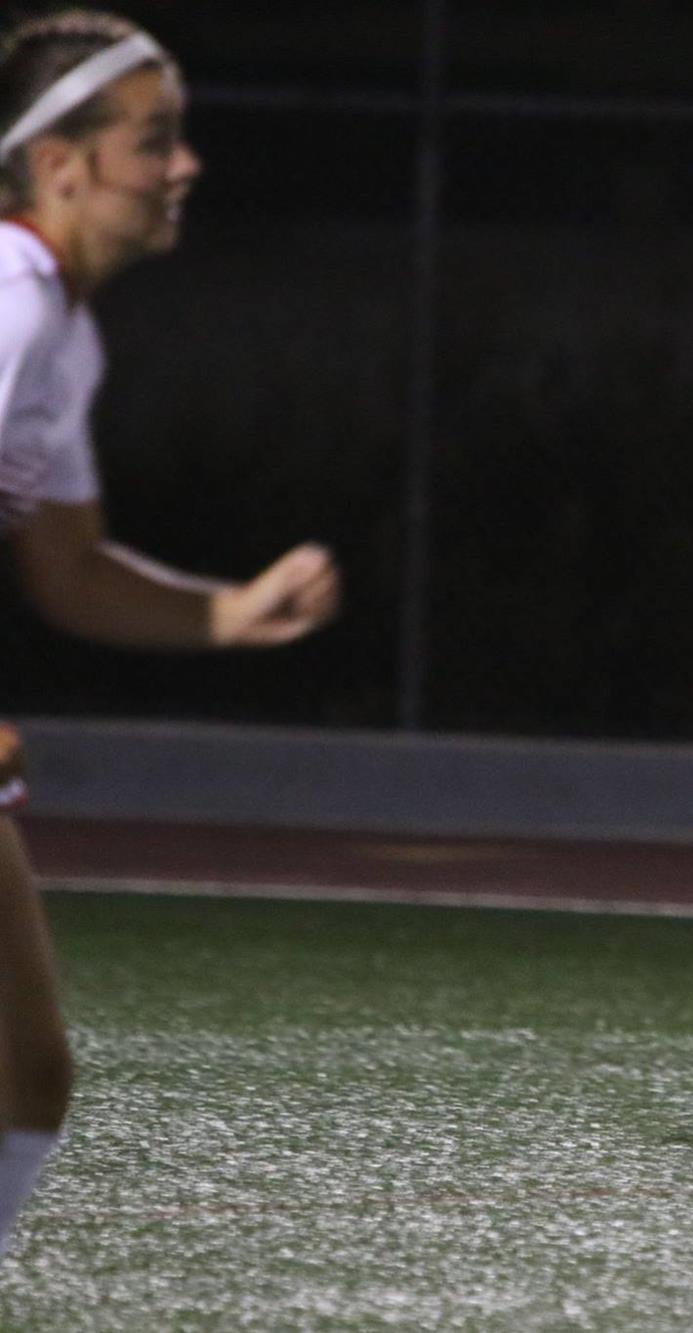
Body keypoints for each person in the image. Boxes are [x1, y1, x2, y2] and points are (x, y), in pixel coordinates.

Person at [0, 10, 341, 1253]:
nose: (184, 164)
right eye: (157, 140)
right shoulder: (13, 296)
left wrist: (225, 612)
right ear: (61, 163)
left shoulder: (57, 326)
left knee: (23, 1078)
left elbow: (69, 564)